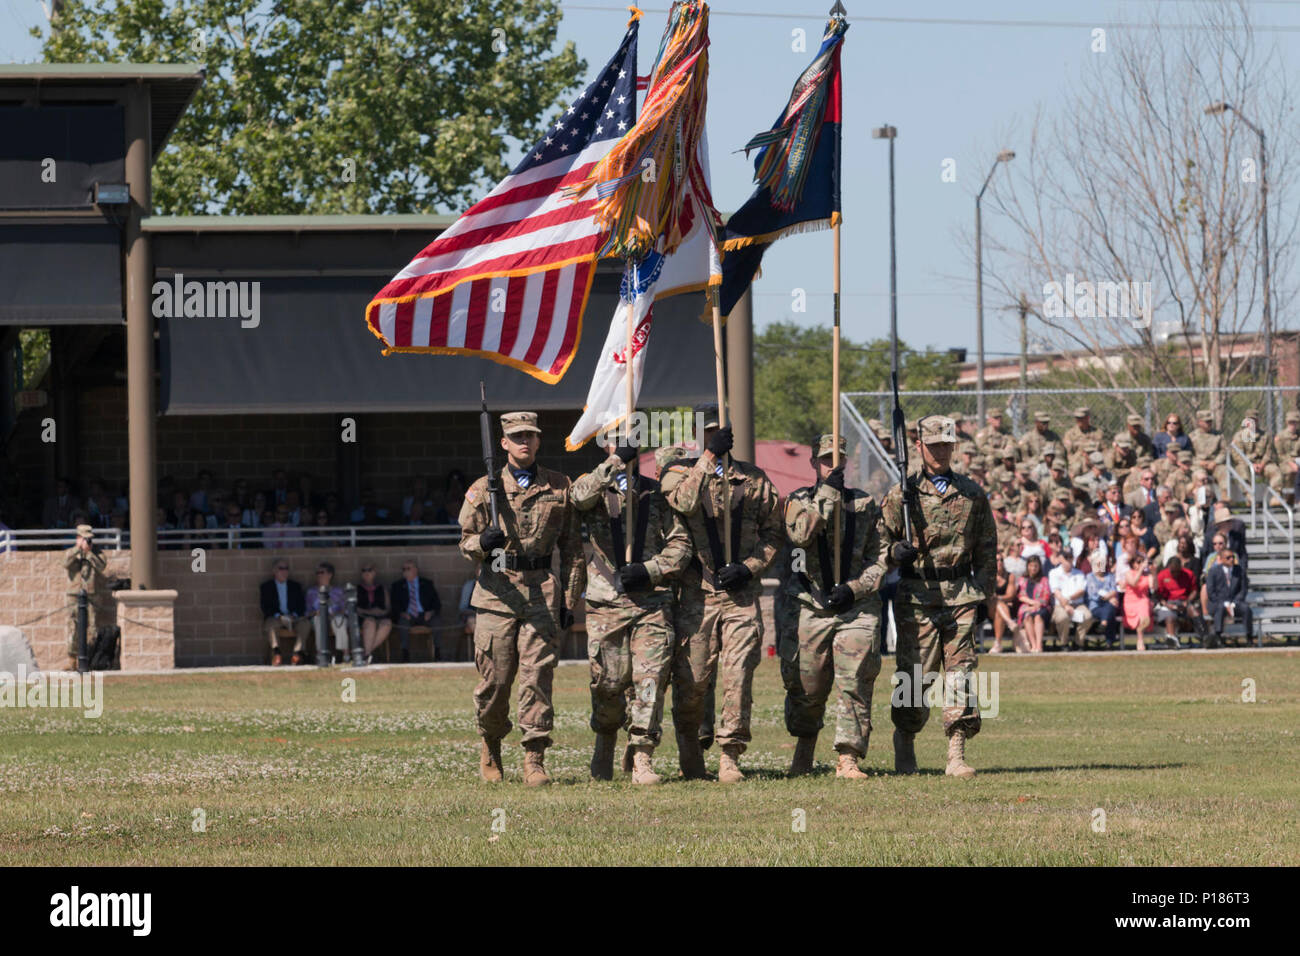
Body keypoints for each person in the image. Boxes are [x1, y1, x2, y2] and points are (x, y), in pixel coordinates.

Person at [459, 411, 585, 786]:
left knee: (537, 677)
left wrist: (569, 602)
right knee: (496, 681)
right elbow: (465, 542)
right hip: (497, 593)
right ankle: (491, 744)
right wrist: (483, 543)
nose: (524, 442)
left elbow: (573, 549)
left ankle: (534, 757)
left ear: (538, 440)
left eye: (530, 435)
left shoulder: (559, 486)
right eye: (517, 437)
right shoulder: (485, 488)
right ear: (503, 443)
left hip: (542, 593)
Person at [660, 406, 782, 783]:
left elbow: (774, 533)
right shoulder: (678, 473)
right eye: (707, 433)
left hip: (740, 594)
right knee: (693, 679)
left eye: (720, 433)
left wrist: (750, 566)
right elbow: (682, 502)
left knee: (738, 674)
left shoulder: (753, 480)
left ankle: (730, 754)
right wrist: (708, 457)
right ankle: (691, 748)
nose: (714, 437)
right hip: (697, 593)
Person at [878, 415, 996, 779]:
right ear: (918, 447)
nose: (941, 452)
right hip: (917, 595)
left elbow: (987, 549)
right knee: (916, 677)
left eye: (946, 445)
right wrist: (894, 554)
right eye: (933, 446)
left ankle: (956, 753)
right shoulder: (902, 493)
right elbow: (880, 543)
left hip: (960, 594)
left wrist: (985, 597)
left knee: (961, 675)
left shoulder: (972, 493)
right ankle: (906, 738)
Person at [569, 441, 691, 785]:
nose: (623, 444)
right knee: (608, 682)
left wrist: (651, 570)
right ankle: (605, 739)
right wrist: (613, 462)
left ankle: (642, 756)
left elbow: (681, 546)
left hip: (651, 602)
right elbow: (578, 498)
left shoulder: (656, 493)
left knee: (650, 679)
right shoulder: (593, 485)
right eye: (615, 437)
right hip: (606, 603)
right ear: (605, 443)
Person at [780, 435, 885, 780]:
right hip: (811, 604)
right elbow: (800, 536)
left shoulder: (866, 504)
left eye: (838, 459)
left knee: (855, 679)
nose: (832, 465)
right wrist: (826, 494)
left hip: (855, 607)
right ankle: (805, 746)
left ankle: (848, 757)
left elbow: (880, 558)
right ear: (813, 463)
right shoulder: (798, 501)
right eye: (825, 459)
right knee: (806, 688)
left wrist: (855, 589)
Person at [62, 524, 109, 670]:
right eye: (85, 539)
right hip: (74, 595)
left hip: (91, 594)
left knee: (93, 628)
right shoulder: (71, 552)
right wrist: (78, 549)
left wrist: (89, 554)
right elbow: (65, 563)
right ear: (78, 538)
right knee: (74, 627)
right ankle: (72, 659)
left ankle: (90, 657)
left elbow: (102, 566)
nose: (88, 542)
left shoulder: (96, 554)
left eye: (89, 539)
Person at [258, 559, 312, 665]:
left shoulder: (295, 586)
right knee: (270, 624)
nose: (284, 571)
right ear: (274, 571)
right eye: (281, 568)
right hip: (277, 618)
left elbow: (301, 605)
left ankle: (297, 653)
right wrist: (279, 616)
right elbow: (265, 607)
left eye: (286, 568)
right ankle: (276, 653)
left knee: (305, 624)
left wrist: (294, 615)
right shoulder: (266, 587)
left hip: (293, 617)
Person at [391, 558, 441, 663]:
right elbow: (394, 605)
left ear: (415, 570)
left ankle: (437, 652)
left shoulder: (427, 584)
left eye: (408, 568)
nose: (405, 571)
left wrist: (430, 612)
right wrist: (402, 613)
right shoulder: (397, 586)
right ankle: (405, 653)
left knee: (436, 621)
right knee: (402, 623)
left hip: (424, 614)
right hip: (408, 615)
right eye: (403, 569)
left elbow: (437, 604)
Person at [1205, 549, 1251, 647]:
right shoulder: (1213, 571)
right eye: (1228, 557)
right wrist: (1224, 603)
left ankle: (1249, 637)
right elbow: (1211, 592)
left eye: (1233, 557)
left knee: (1246, 609)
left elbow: (1243, 589)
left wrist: (1235, 602)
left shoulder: (1239, 570)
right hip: (1218, 603)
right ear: (1221, 559)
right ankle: (1219, 637)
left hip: (1235, 603)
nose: (1231, 559)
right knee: (1220, 608)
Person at [1048, 547, 1091, 651]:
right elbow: (1056, 592)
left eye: (1070, 557)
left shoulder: (1079, 573)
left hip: (1077, 604)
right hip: (1061, 605)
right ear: (1060, 558)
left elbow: (1081, 591)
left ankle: (1078, 642)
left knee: (1088, 616)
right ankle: (1064, 643)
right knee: (1063, 617)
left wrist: (1069, 599)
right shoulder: (1054, 573)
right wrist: (1066, 605)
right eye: (1066, 557)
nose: (1068, 560)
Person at [1155, 555, 1201, 648]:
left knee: (1194, 611)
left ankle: (1205, 637)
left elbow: (1194, 591)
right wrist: (1167, 605)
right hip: (1168, 602)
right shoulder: (1162, 575)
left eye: (1177, 571)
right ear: (1168, 568)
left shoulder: (1188, 574)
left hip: (1184, 601)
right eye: (1173, 572)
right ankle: (1172, 640)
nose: (1175, 574)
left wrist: (1187, 601)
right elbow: (1157, 594)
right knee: (1169, 616)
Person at [305, 562, 349, 661]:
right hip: (319, 617)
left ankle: (345, 654)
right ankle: (321, 655)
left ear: (330, 575)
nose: (319, 575)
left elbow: (345, 609)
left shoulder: (338, 591)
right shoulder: (311, 592)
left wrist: (338, 613)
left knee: (339, 620)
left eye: (322, 572)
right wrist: (315, 613)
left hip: (335, 616)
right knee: (319, 620)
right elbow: (307, 612)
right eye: (317, 573)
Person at [1232, 409, 1282, 494]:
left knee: (1275, 470)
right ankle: (1249, 496)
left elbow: (1269, 453)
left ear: (1258, 421)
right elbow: (1238, 455)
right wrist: (1251, 465)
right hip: (1246, 464)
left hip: (1262, 464)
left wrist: (1262, 465)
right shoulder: (1239, 436)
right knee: (1242, 469)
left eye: (1254, 420)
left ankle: (1276, 496)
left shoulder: (1265, 436)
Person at [356, 563, 393, 660]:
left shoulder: (382, 588)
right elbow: (356, 609)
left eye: (369, 570)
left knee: (387, 623)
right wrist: (369, 612)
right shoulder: (357, 589)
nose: (366, 573)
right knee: (370, 622)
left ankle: (366, 653)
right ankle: (368, 654)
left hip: (380, 616)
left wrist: (381, 612)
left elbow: (387, 608)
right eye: (364, 570)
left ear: (374, 572)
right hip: (363, 618)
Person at [1016, 554, 1051, 654]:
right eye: (1031, 565)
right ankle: (1033, 645)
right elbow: (1020, 595)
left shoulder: (1044, 580)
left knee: (1038, 617)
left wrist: (1036, 605)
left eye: (1035, 566)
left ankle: (1039, 645)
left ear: (1039, 566)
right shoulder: (1023, 579)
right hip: (1027, 607)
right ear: (1028, 566)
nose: (1033, 568)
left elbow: (1046, 596)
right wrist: (1031, 604)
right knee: (1027, 617)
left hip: (1042, 607)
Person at [1085, 554, 1121, 648]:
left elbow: (1114, 590)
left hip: (1108, 604)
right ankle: (1109, 641)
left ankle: (1104, 623)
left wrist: (1110, 597)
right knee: (1110, 610)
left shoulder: (1110, 576)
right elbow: (1093, 594)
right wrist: (1109, 597)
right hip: (1096, 606)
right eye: (1097, 564)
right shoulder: (1090, 577)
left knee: (1110, 608)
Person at [1123, 553, 1155, 651]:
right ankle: (1140, 640)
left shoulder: (1147, 575)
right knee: (1144, 605)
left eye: (1142, 562)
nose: (1141, 564)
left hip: (1143, 600)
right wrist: (1141, 570)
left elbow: (1153, 587)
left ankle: (1140, 636)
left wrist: (1154, 573)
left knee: (1144, 604)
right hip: (1131, 601)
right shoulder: (1128, 573)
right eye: (1138, 562)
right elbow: (1133, 583)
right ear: (1132, 563)